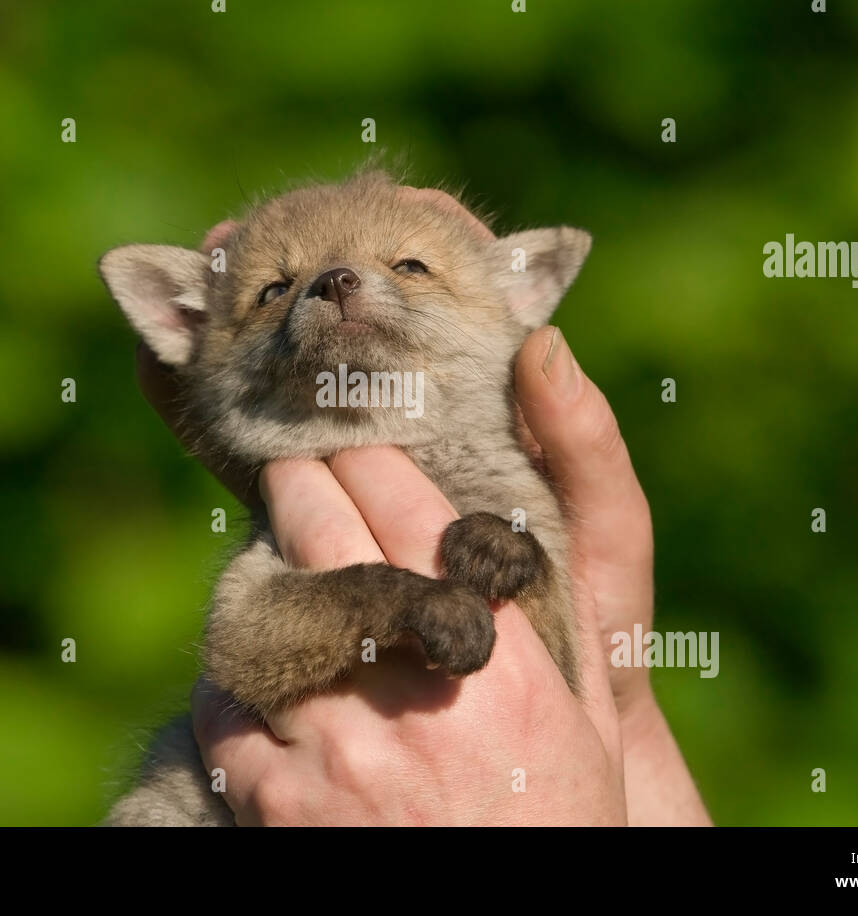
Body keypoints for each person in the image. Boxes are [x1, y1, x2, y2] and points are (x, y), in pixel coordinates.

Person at [136, 314, 710, 826]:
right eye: (275, 291)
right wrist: (384, 601)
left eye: (409, 264)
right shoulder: (288, 493)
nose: (337, 283)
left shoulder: (515, 497)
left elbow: (554, 661)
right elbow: (247, 652)